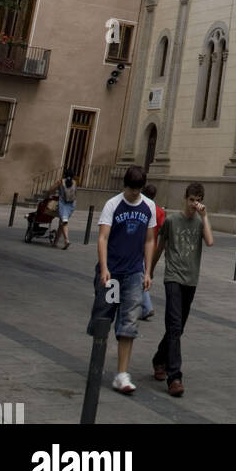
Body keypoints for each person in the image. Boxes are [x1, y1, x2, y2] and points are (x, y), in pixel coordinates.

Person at [86, 165, 157, 395]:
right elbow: (103, 238)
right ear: (125, 186)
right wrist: (104, 268)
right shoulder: (113, 204)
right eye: (131, 190)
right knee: (104, 317)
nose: (134, 194)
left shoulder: (149, 206)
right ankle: (97, 363)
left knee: (129, 322)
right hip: (112, 275)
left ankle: (121, 374)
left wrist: (147, 271)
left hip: (133, 274)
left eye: (137, 190)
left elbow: (149, 240)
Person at [150, 182, 213, 398]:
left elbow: (211, 242)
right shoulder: (171, 221)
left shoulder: (199, 222)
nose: (194, 204)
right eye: (192, 199)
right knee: (175, 324)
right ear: (185, 198)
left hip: (191, 279)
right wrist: (149, 272)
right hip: (173, 278)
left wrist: (204, 217)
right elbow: (159, 248)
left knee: (178, 328)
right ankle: (174, 376)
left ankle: (159, 359)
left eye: (198, 200)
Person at [140, 183, 165, 319]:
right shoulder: (159, 211)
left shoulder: (143, 207)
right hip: (153, 247)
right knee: (143, 274)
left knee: (140, 275)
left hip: (140, 247)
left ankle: (147, 306)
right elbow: (162, 230)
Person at [52, 170, 77, 249]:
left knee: (64, 222)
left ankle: (66, 240)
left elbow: (51, 189)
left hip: (63, 204)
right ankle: (55, 242)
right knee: (62, 223)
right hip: (72, 205)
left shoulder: (60, 181)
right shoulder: (74, 182)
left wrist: (48, 194)